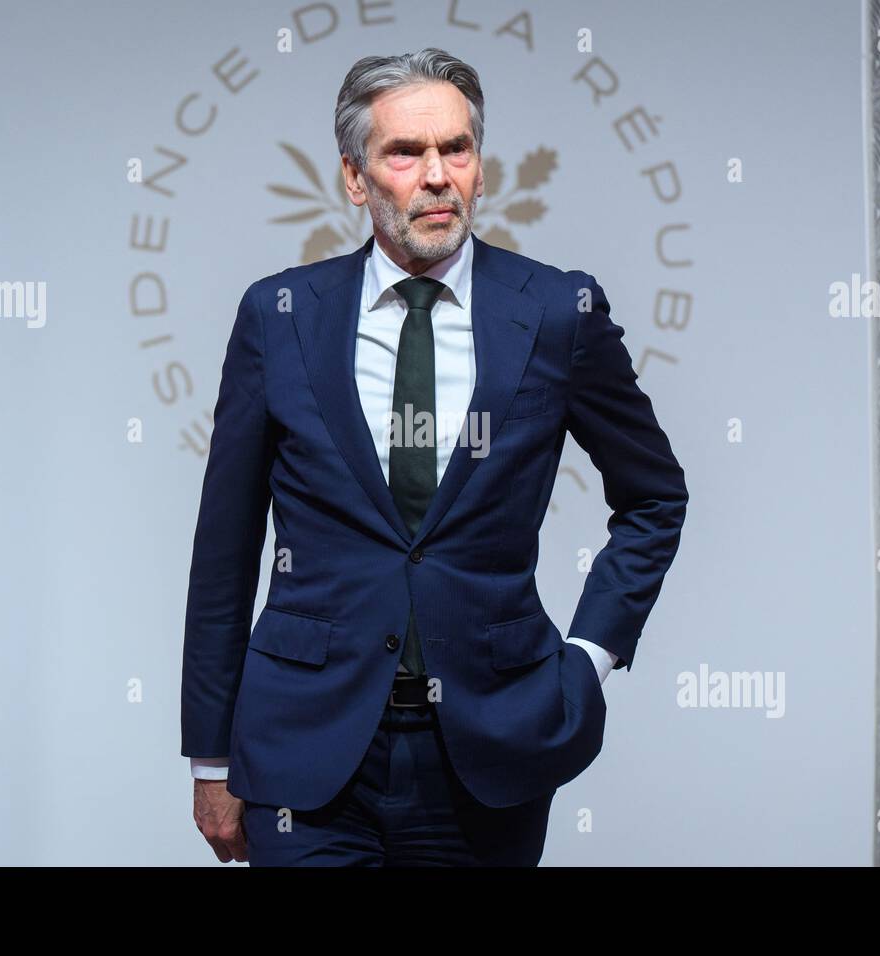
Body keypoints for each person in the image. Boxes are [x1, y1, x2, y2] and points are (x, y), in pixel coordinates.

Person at [181, 47, 688, 866]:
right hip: (303, 752)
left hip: (491, 748)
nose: (437, 175)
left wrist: (589, 660)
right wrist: (209, 757)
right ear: (355, 177)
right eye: (405, 153)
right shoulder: (279, 316)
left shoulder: (559, 312)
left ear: (481, 167)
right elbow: (225, 551)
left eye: (456, 149)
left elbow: (654, 497)